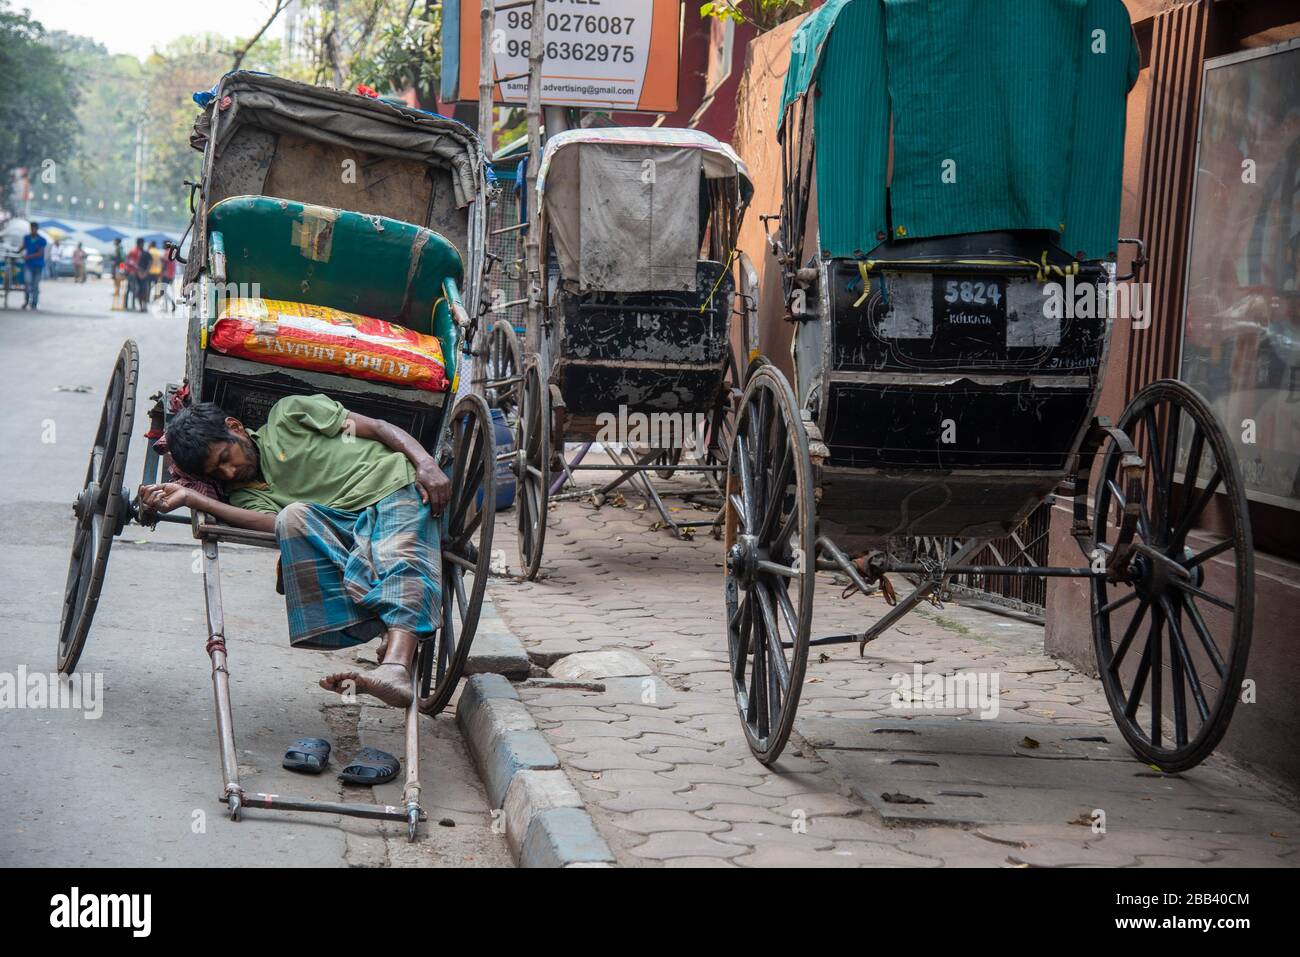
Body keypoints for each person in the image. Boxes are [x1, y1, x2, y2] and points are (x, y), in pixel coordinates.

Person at [138, 394, 451, 707]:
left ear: (235, 428)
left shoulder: (289, 415)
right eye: (217, 472)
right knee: (291, 517)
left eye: (225, 457)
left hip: (391, 485)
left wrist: (425, 463)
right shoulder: (243, 494)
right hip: (340, 523)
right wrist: (194, 500)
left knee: (398, 553)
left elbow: (379, 428)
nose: (229, 472)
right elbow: (275, 524)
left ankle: (395, 667)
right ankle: (388, 629)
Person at [19, 223, 47, 309]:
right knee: (27, 283)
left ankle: (34, 303)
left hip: (38, 265)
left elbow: (40, 252)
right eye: (31, 228)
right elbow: (23, 247)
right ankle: (26, 301)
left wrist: (28, 256)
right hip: (28, 265)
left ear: (37, 229)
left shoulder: (42, 240)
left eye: (34, 228)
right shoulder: (26, 238)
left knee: (35, 285)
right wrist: (16, 251)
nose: (32, 230)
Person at [130, 238, 150, 311]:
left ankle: (144, 306)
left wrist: (145, 273)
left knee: (144, 291)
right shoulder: (135, 252)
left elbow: (149, 263)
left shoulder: (146, 253)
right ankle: (141, 307)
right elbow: (132, 263)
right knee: (139, 291)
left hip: (143, 275)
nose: (141, 245)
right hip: (137, 275)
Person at [110, 239, 125, 309]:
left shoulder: (119, 249)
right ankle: (117, 291)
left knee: (117, 279)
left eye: (115, 241)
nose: (113, 242)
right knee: (117, 279)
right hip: (119, 266)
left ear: (117, 242)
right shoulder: (119, 248)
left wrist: (122, 268)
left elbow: (122, 259)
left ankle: (117, 292)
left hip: (118, 266)